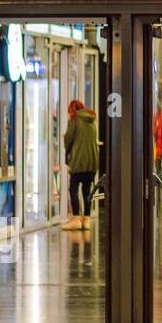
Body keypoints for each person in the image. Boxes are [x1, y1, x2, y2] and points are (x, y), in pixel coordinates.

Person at [62, 99, 99, 231]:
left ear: (72, 110)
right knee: (86, 190)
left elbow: (68, 141)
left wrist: (64, 137)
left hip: (78, 161)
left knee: (73, 188)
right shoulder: (91, 121)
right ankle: (87, 219)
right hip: (92, 161)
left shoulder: (75, 120)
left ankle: (76, 219)